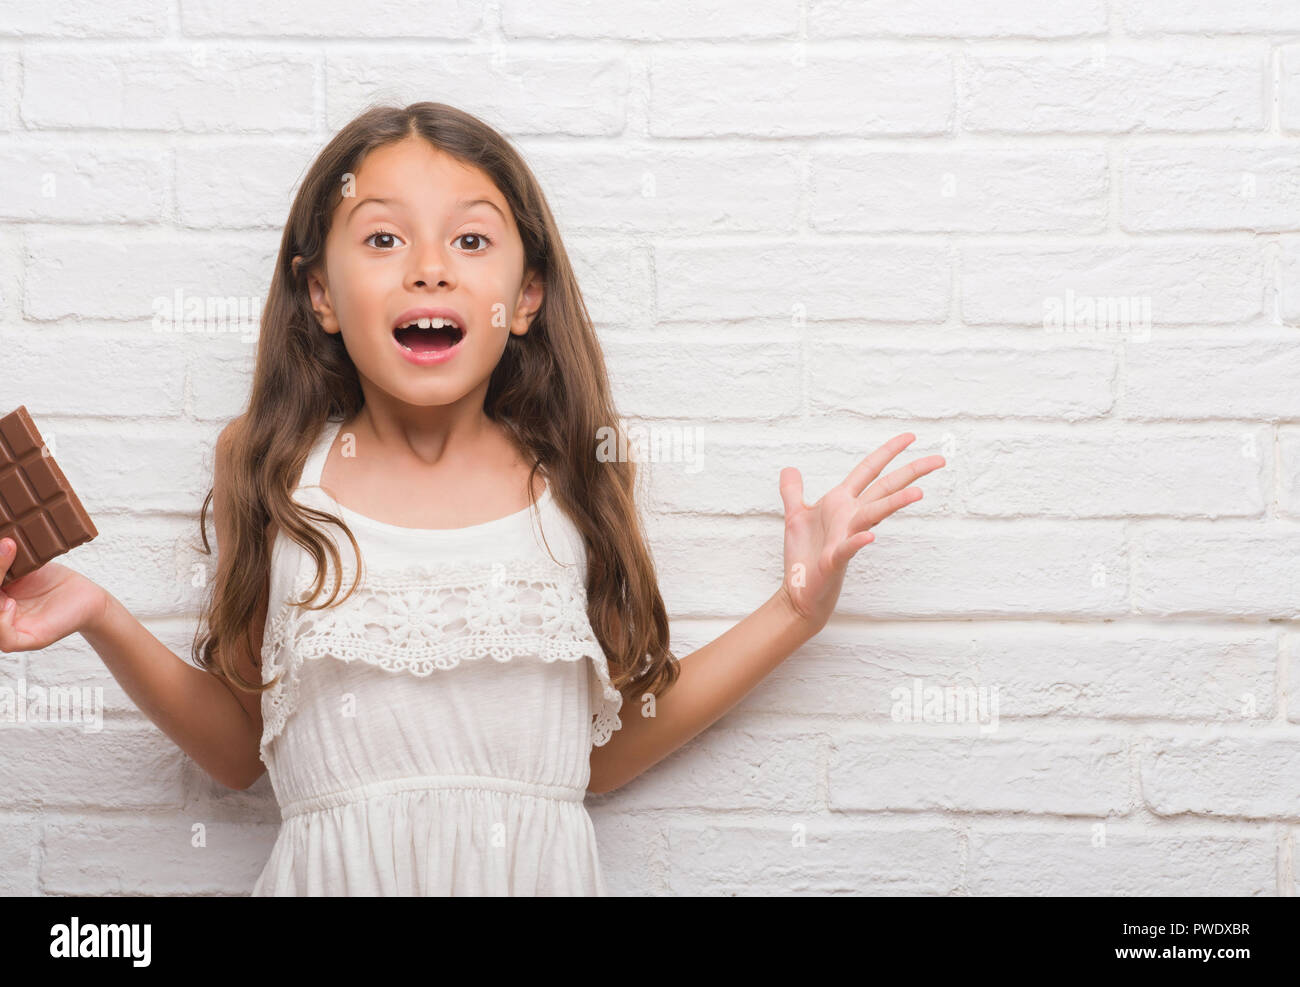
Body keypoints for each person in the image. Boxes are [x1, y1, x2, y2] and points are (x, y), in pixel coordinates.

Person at [0, 101, 945, 896]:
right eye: (382, 236)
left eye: (470, 237)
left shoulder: (577, 477)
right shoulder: (271, 470)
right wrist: (94, 613)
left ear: (525, 296)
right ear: (320, 293)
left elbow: (596, 757)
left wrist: (797, 610)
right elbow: (242, 752)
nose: (429, 265)